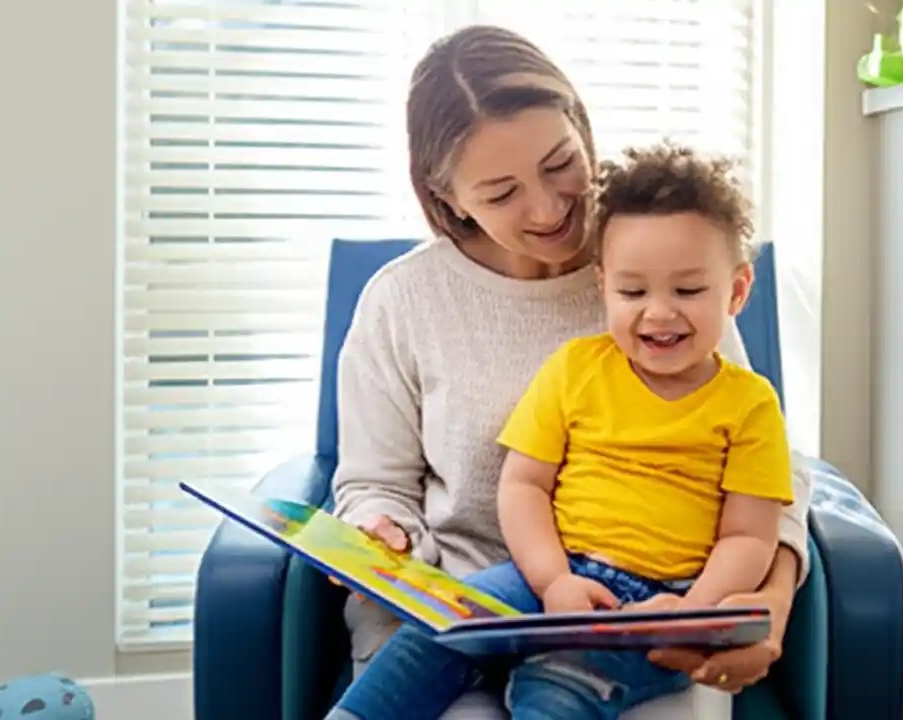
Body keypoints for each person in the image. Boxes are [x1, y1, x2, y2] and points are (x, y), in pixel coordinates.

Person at [326, 24, 813, 720]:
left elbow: (766, 479)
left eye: (561, 165)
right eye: (500, 193)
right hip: (474, 598)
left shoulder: (667, 271)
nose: (551, 209)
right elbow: (375, 483)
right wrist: (381, 531)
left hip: (651, 610)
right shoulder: (401, 300)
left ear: (583, 129)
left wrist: (764, 602)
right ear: (447, 195)